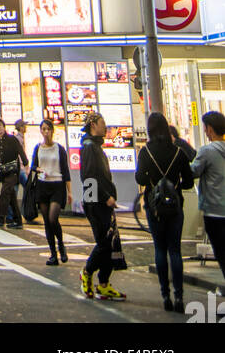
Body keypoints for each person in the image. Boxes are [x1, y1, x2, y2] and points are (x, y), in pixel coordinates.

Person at [135, 111, 195, 312]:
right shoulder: (178, 152)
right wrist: (174, 184)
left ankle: (165, 295)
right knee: (175, 250)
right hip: (175, 207)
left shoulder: (145, 152)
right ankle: (179, 296)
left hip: (155, 207)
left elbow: (140, 179)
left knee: (159, 249)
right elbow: (188, 181)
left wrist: (153, 181)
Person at [80, 111, 125, 300]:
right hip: (96, 203)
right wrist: (104, 197)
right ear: (93, 126)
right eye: (102, 123)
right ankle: (88, 272)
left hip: (101, 202)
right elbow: (89, 177)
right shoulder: (90, 147)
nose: (105, 126)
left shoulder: (95, 146)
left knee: (110, 243)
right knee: (104, 243)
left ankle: (104, 284)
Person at [190, 109, 225, 287]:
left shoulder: (207, 151)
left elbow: (192, 171)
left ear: (210, 129)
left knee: (222, 254)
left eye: (205, 128)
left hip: (214, 212)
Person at [29, 119, 71, 265]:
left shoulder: (59, 148)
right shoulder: (38, 148)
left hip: (57, 185)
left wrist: (69, 191)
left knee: (53, 218)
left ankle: (61, 245)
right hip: (42, 185)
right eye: (44, 129)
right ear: (40, 131)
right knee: (47, 221)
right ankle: (53, 254)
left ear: (53, 131)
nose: (46, 132)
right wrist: (38, 169)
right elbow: (33, 165)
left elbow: (65, 170)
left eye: (48, 129)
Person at [0, 118, 28, 229]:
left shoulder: (12, 139)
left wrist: (26, 164)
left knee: (4, 192)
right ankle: (18, 221)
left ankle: (1, 218)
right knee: (12, 197)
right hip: (4, 173)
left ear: (4, 127)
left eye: (0, 125)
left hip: (13, 172)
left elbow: (21, 151)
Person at [7, 120, 31, 225]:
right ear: (21, 127)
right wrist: (25, 167)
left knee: (14, 192)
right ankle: (25, 213)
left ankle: (11, 215)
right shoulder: (18, 139)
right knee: (28, 188)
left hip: (18, 169)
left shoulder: (19, 138)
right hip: (19, 169)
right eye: (24, 126)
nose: (26, 127)